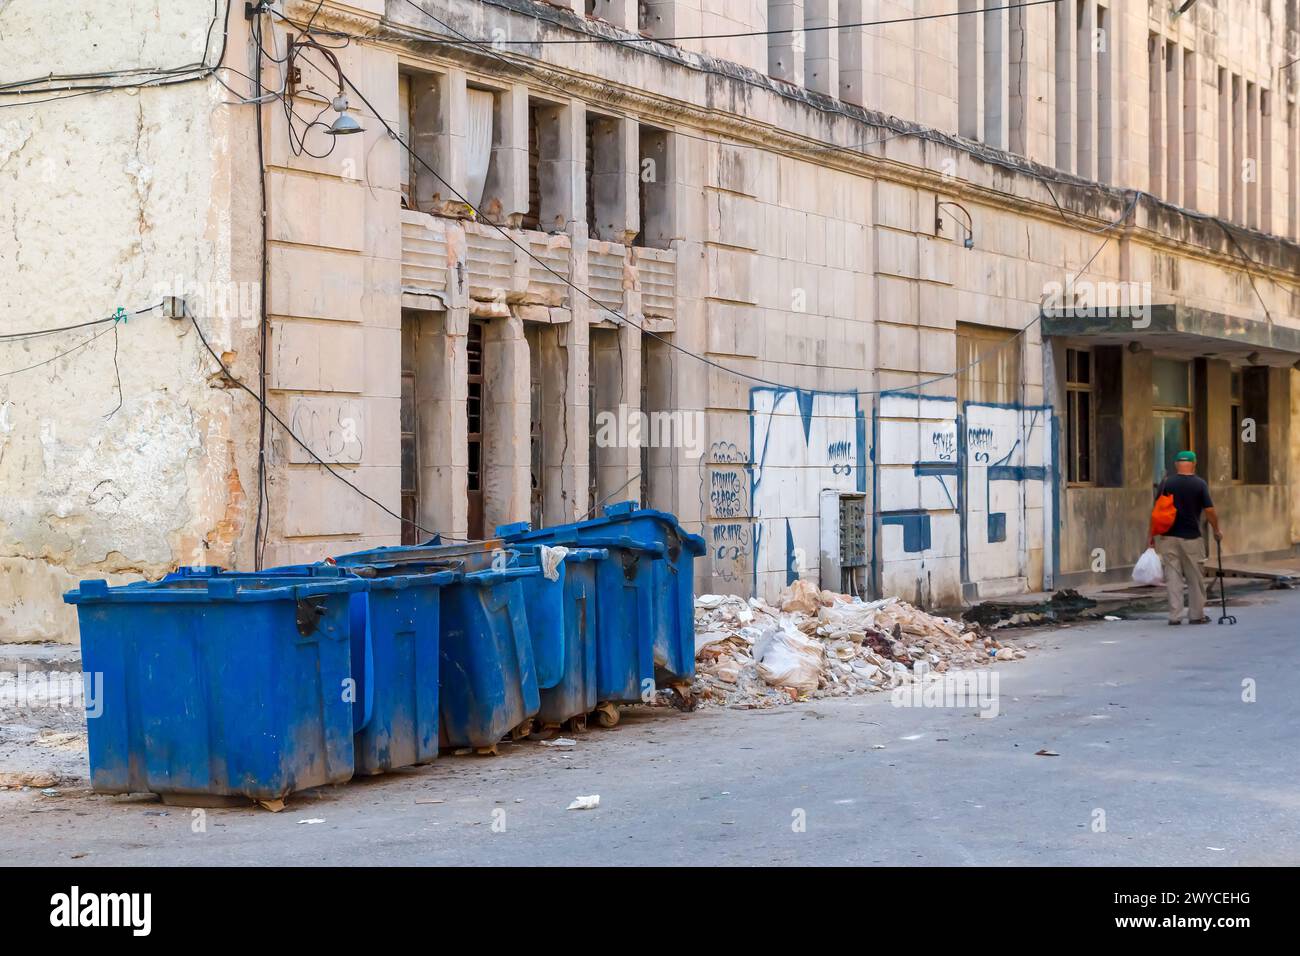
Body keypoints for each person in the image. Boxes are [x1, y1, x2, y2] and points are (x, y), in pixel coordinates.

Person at [1148, 450, 1222, 625]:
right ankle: (1196, 615)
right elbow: (1209, 510)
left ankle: (1175, 616)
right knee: (1194, 578)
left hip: (1168, 537)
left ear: (1176, 465)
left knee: (1173, 577)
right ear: (1194, 464)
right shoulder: (1199, 484)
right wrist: (1216, 530)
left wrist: (1151, 536)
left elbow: (1156, 511)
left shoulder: (1166, 483)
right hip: (1190, 538)